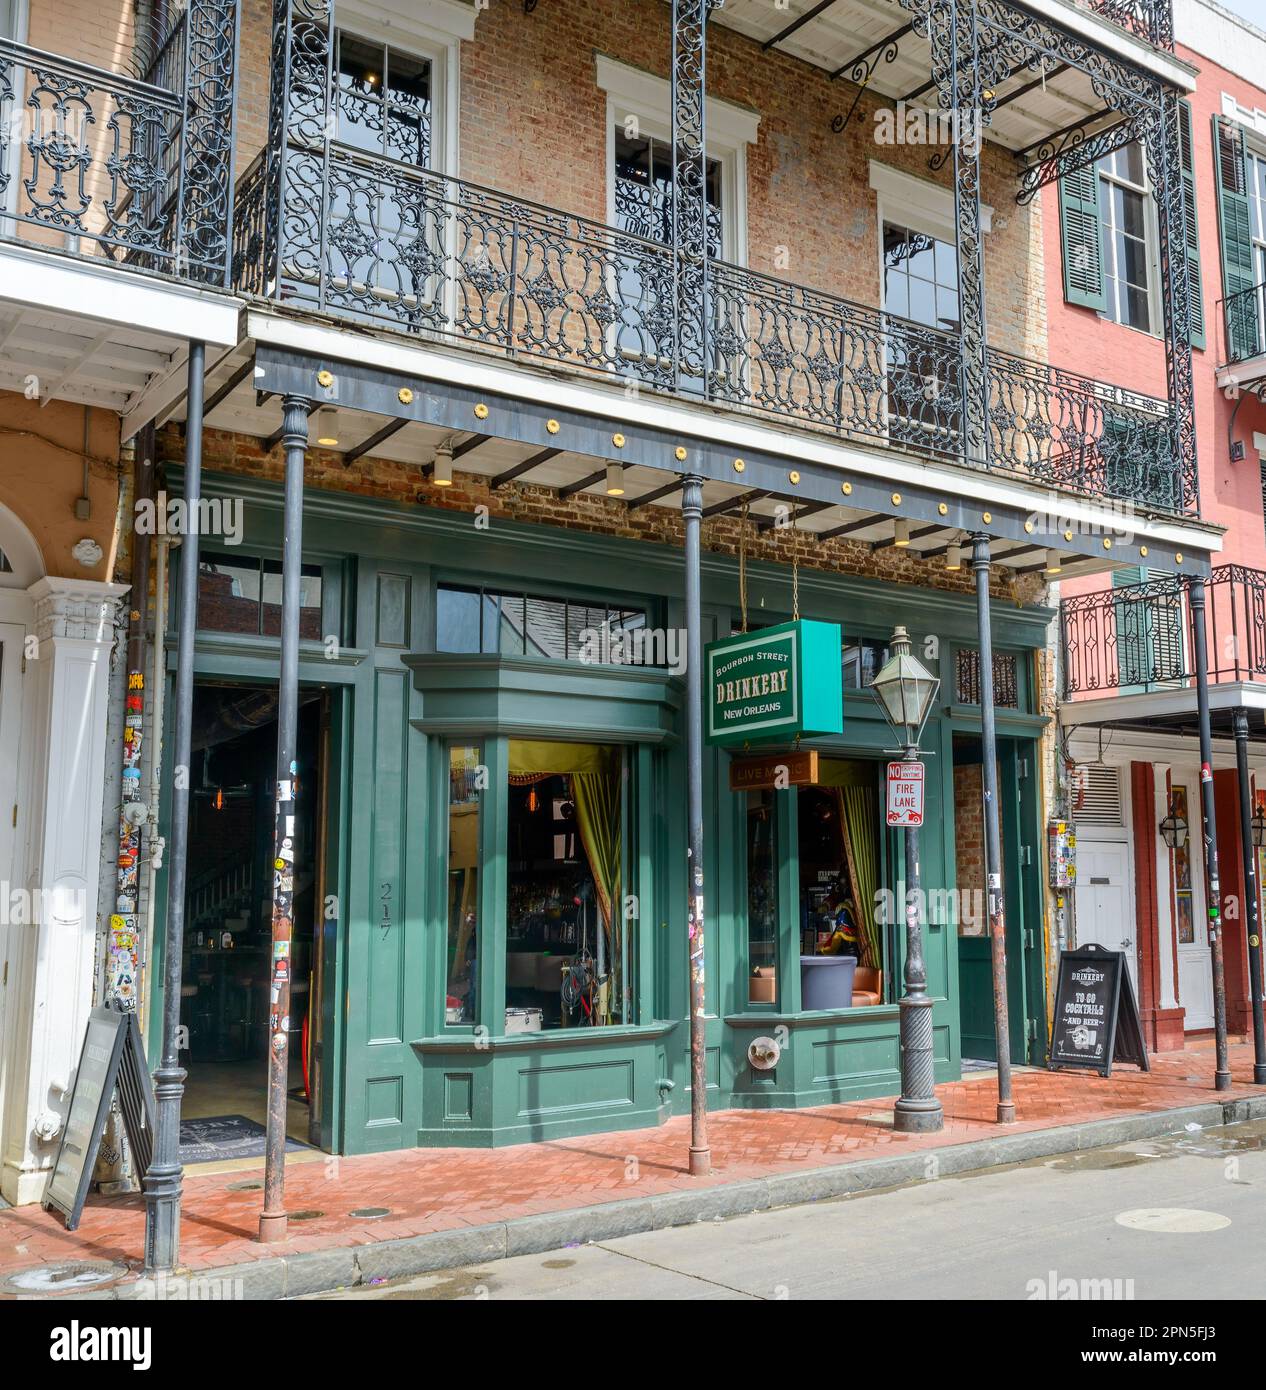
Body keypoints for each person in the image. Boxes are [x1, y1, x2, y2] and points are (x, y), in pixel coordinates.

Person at [817, 895, 862, 960]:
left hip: (851, 916)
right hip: (844, 917)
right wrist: (826, 905)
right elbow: (834, 897)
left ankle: (851, 950)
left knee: (843, 917)